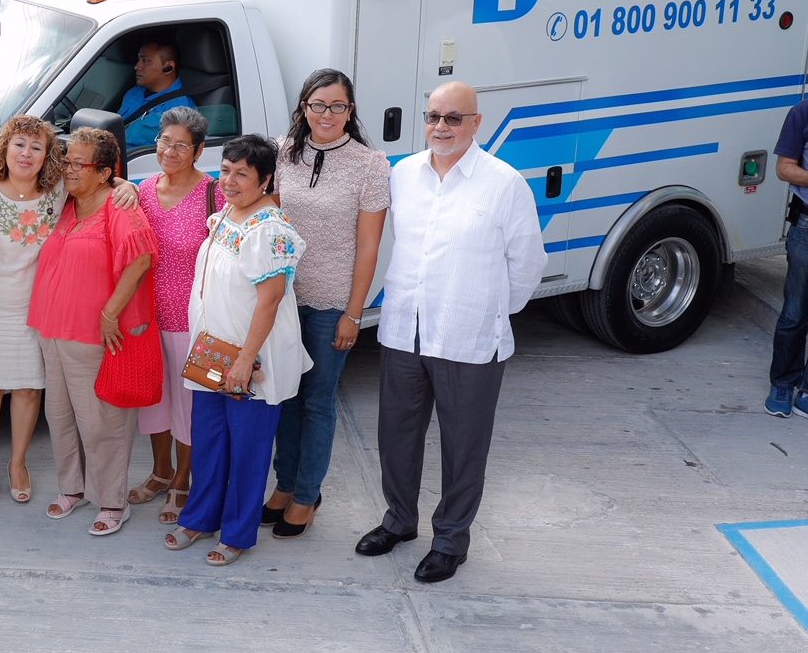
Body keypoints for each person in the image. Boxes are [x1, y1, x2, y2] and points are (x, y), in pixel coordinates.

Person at [355, 81, 544, 584]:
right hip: (404, 330)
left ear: (476, 123)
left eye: (454, 118)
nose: (441, 127)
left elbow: (528, 263)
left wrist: (489, 313)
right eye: (433, 116)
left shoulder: (504, 184)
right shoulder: (403, 175)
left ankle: (450, 541)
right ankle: (399, 520)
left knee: (463, 447)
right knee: (396, 435)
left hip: (469, 338)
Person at [0, 115, 137, 507]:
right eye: (19, 144)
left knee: (27, 390)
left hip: (37, 311)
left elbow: (99, 182)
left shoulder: (58, 192)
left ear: (47, 157)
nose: (26, 153)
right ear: (5, 148)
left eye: (36, 147)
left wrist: (126, 185)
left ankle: (18, 464)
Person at [165, 134, 310, 567]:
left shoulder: (271, 231)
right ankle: (200, 517)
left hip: (252, 360)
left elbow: (270, 300)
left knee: (248, 451)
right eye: (225, 170)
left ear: (265, 181)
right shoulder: (228, 213)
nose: (229, 181)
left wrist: (246, 361)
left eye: (242, 174)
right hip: (212, 353)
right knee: (209, 441)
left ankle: (237, 533)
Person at [264, 69, 390, 537]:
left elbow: (369, 248)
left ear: (350, 111)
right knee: (285, 396)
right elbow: (268, 217)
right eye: (318, 105)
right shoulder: (282, 152)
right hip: (282, 299)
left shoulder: (371, 165)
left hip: (332, 303)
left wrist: (354, 313)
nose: (327, 114)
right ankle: (284, 484)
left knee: (317, 400)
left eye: (338, 106)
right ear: (304, 108)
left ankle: (306, 495)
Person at [27, 127, 157, 537]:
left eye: (78, 163)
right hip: (52, 329)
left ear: (103, 172)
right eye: (67, 161)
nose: (68, 169)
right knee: (60, 416)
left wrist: (109, 314)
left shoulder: (118, 207)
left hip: (92, 336)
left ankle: (113, 501)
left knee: (102, 424)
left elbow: (141, 258)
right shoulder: (68, 201)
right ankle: (72, 488)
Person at [127, 107, 223, 525]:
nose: (170, 151)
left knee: (189, 406)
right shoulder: (144, 190)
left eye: (181, 145)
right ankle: (160, 471)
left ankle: (184, 479)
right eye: (165, 141)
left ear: (199, 152)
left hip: (193, 319)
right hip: (149, 315)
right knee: (155, 400)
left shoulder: (214, 194)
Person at [767, 96, 808, 417]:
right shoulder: (802, 112)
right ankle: (782, 382)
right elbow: (784, 168)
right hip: (806, 226)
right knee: (795, 311)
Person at [118, 42, 196, 149]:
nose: (137, 66)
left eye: (146, 61)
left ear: (168, 67)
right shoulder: (135, 92)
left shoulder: (180, 111)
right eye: (139, 60)